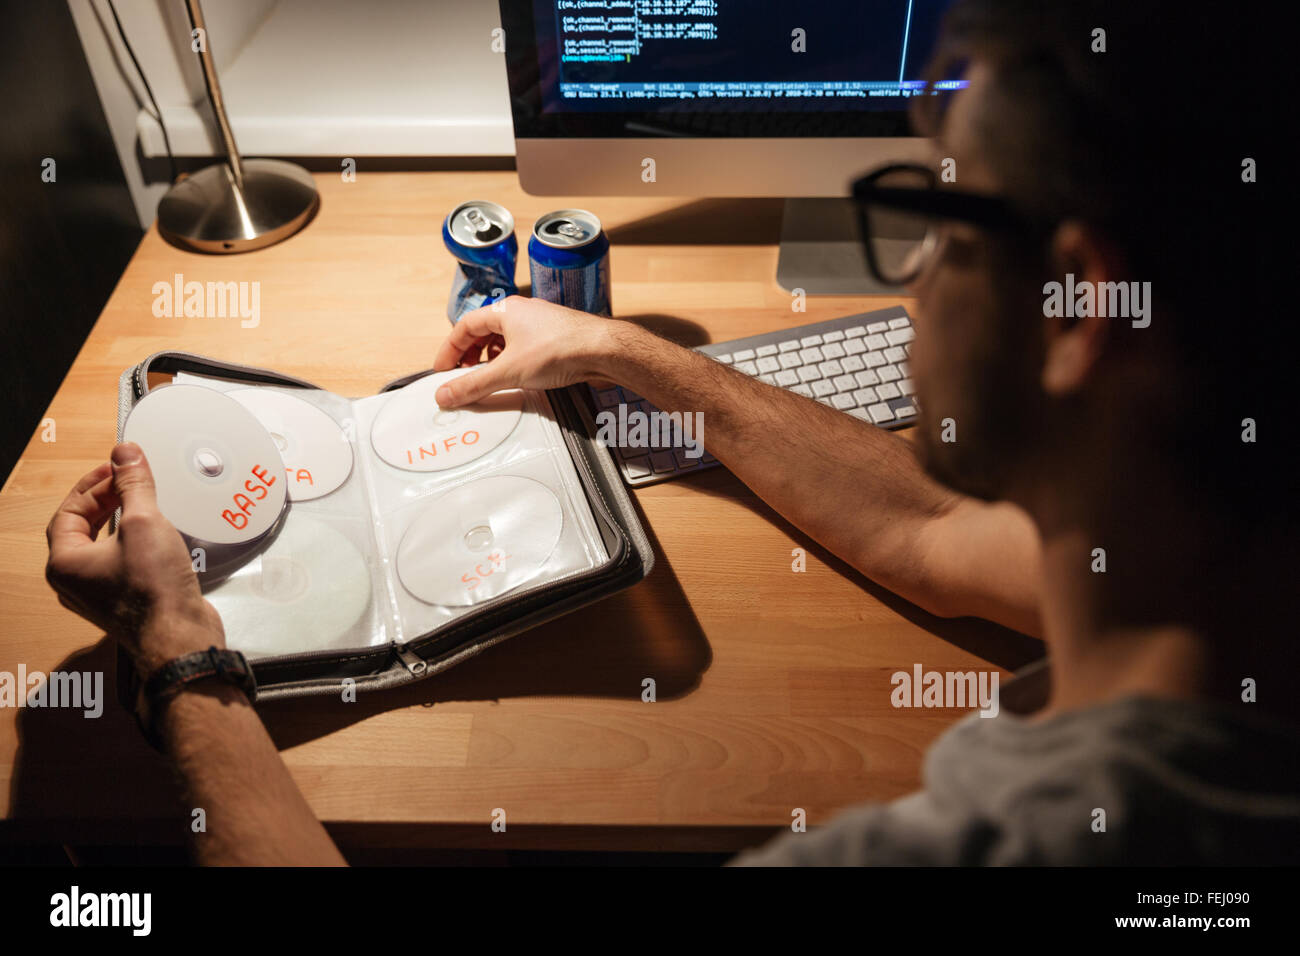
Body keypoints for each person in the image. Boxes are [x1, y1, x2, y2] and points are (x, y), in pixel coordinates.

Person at [45, 0, 1292, 865]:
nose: (910, 270)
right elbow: (937, 526)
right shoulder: (1194, 561)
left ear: (1080, 307)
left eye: (942, 214)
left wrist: (181, 659)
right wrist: (629, 353)